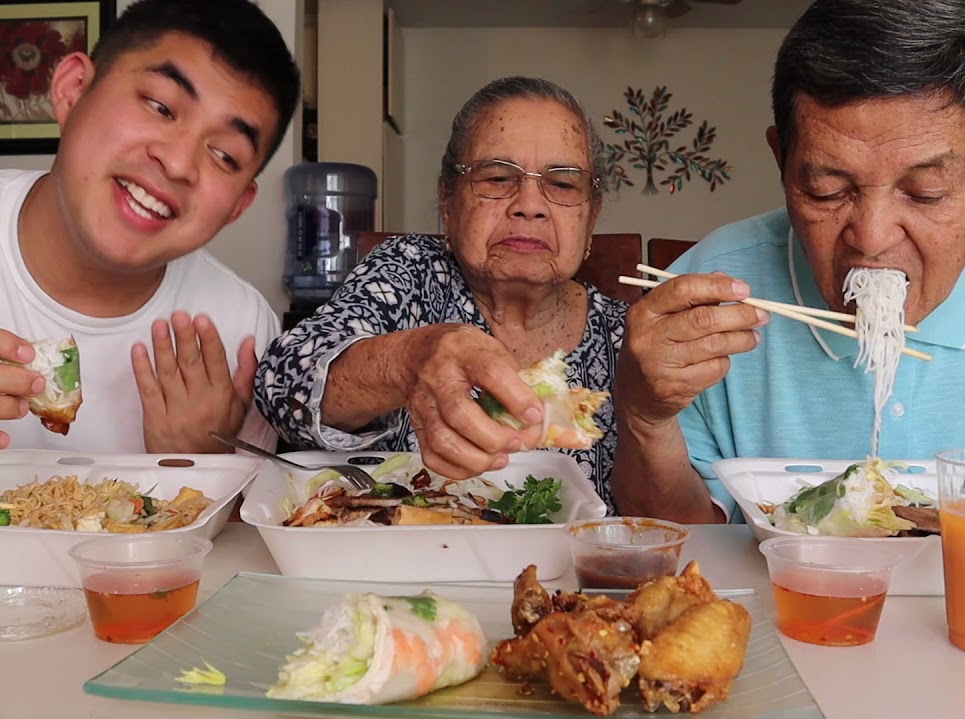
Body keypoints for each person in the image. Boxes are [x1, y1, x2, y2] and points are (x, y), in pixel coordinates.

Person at [613, 0, 965, 520]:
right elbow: (676, 543)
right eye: (826, 189)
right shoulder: (709, 293)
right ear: (782, 162)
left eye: (926, 192)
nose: (872, 237)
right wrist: (644, 418)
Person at [0, 0, 301, 500]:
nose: (177, 163)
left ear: (238, 205)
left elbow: (244, 555)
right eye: (161, 107)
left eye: (225, 155)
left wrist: (199, 473)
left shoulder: (239, 328)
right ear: (72, 90)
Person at [256, 77, 698, 514]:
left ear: (590, 215)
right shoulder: (408, 271)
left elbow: (670, 527)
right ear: (447, 201)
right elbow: (281, 386)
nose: (530, 204)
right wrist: (409, 359)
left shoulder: (626, 338)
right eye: (497, 177)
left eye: (562, 184)